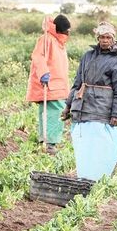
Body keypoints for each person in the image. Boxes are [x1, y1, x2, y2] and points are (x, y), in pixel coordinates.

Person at [62, 22, 117, 180]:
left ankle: (97, 179)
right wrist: (68, 105)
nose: (105, 40)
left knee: (100, 146)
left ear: (113, 39)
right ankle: (84, 178)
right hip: (83, 107)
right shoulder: (88, 56)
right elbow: (77, 83)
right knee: (84, 146)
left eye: (108, 37)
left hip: (101, 109)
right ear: (97, 38)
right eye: (102, 37)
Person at [27, 14, 70, 154]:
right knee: (55, 113)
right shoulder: (46, 40)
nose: (68, 32)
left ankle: (44, 141)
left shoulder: (58, 42)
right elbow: (38, 57)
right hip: (50, 85)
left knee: (48, 113)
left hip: (57, 85)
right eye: (67, 29)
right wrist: (43, 73)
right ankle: (50, 143)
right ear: (62, 30)